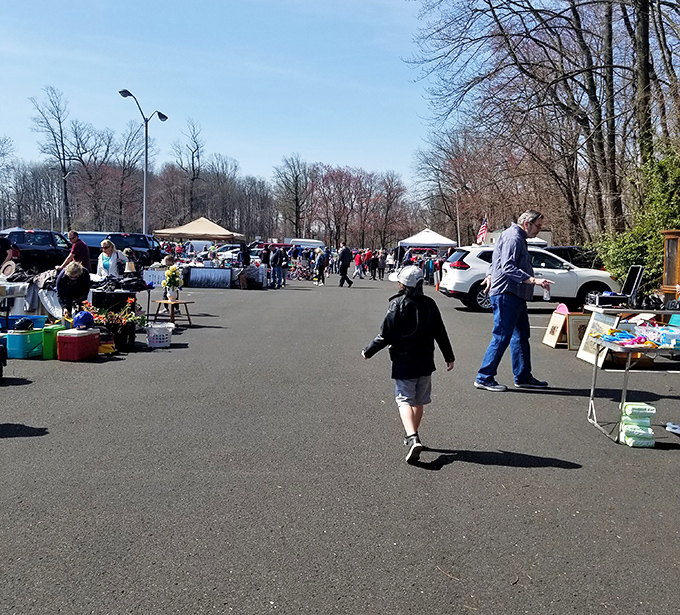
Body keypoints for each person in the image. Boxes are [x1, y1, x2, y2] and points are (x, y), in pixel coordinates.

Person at [362, 265, 455, 463]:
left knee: (404, 399)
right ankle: (413, 434)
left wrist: (368, 351)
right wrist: (449, 356)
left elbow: (385, 335)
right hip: (425, 359)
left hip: (404, 359)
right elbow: (440, 331)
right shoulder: (430, 304)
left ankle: (412, 437)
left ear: (402, 285)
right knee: (419, 400)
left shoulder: (397, 304)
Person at [474, 210, 554, 392]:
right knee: (502, 336)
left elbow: (496, 261)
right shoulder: (513, 238)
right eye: (538, 226)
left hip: (515, 294)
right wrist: (533, 280)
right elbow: (507, 266)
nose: (539, 230)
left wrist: (489, 275)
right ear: (527, 224)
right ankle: (484, 377)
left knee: (521, 336)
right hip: (506, 294)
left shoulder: (511, 236)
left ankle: (523, 376)